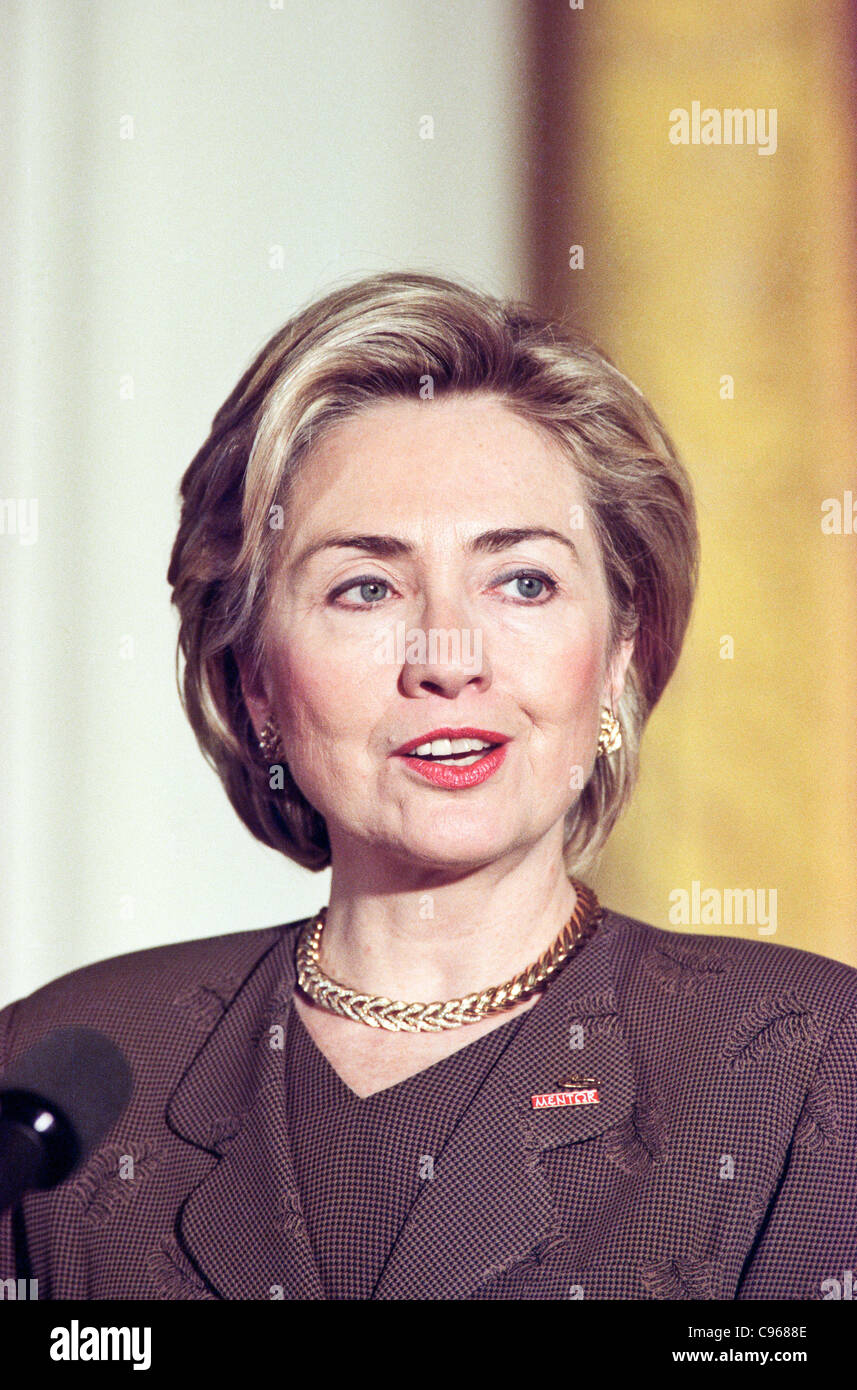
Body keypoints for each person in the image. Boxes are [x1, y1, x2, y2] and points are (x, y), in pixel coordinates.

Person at [1, 272, 855, 1300]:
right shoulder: (69, 1073)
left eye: (522, 581)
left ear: (620, 651)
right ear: (253, 678)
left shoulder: (799, 1062)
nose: (447, 656)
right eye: (365, 586)